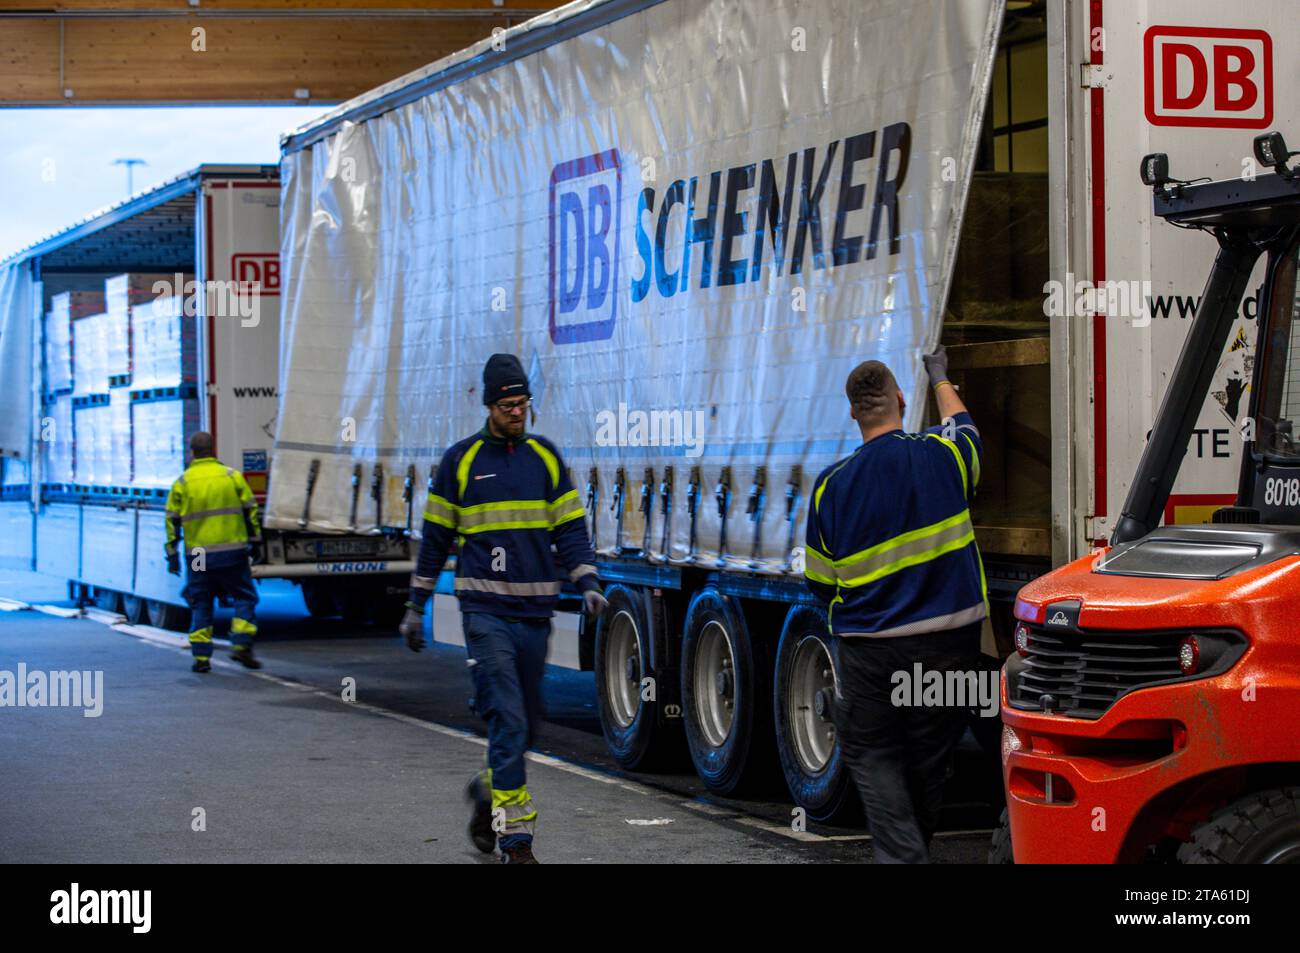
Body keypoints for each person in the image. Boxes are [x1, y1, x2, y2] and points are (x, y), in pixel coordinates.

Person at [399, 353, 607, 864]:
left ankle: (488, 787)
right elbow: (435, 540)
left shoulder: (547, 459)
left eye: (524, 403)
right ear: (490, 404)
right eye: (509, 405)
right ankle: (517, 840)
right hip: (484, 613)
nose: (518, 412)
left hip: (535, 615)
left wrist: (589, 582)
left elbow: (571, 530)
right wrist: (415, 604)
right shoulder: (461, 462)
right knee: (509, 722)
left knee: (531, 725)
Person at [804, 345, 986, 863]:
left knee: (874, 753)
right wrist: (941, 377)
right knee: (930, 760)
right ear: (901, 400)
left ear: (853, 413)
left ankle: (905, 858)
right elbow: (966, 429)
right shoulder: (943, 456)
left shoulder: (831, 487)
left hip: (871, 655)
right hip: (953, 647)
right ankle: (911, 854)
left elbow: (819, 582)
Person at [165, 431, 264, 674]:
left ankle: (200, 658)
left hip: (198, 555)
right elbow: (251, 511)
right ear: (213, 449)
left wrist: (172, 553)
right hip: (232, 552)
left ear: (192, 452)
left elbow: (171, 521)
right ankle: (241, 642)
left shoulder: (182, 483)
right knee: (243, 596)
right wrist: (256, 541)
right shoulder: (232, 477)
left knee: (201, 600)